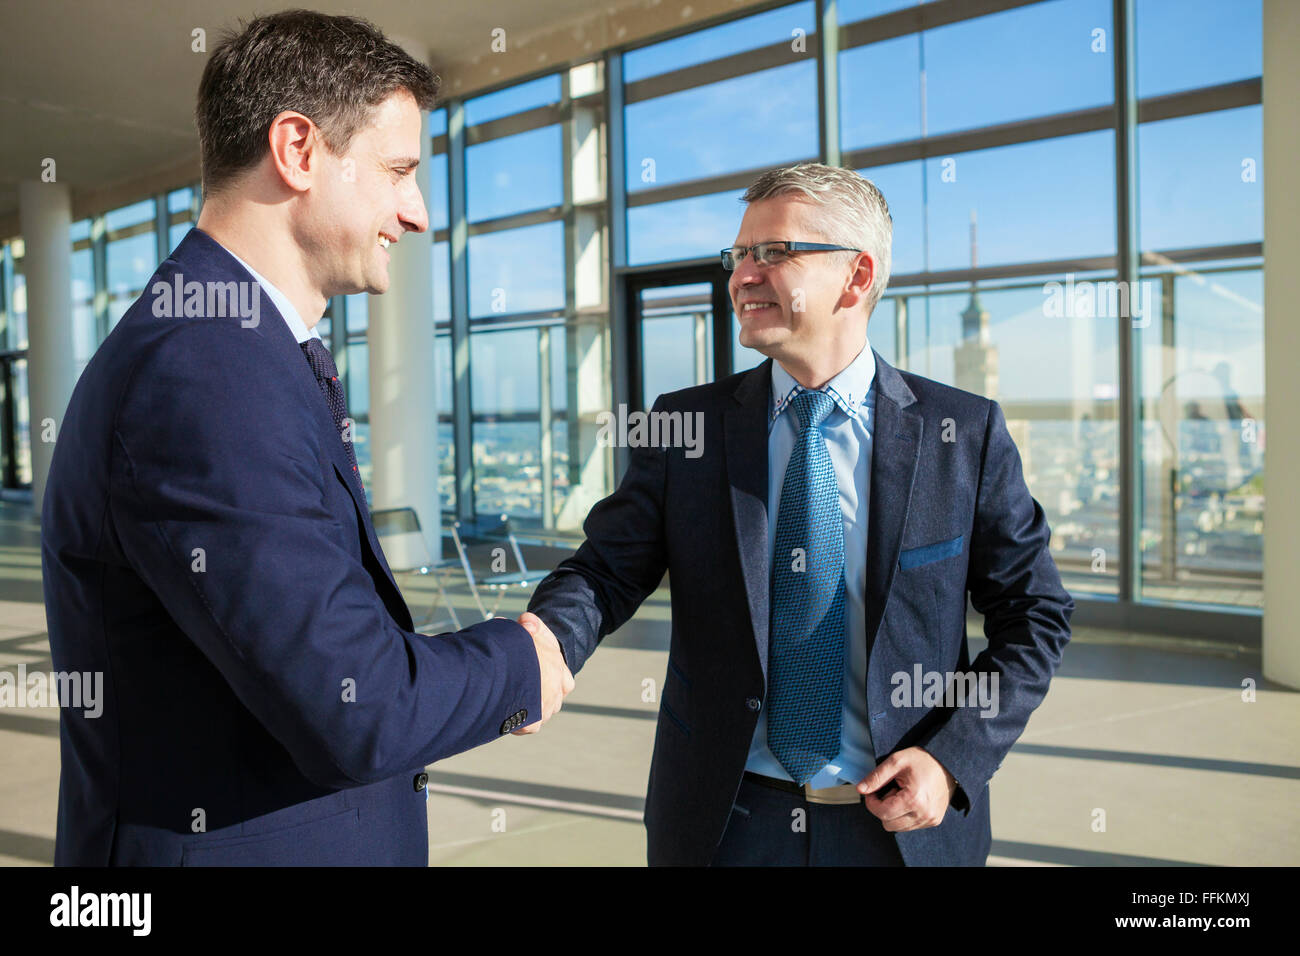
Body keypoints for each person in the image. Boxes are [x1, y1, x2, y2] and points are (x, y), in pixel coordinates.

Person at [40, 10, 572, 867]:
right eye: (400, 170)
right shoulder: (205, 371)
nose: (420, 212)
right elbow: (358, 708)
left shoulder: (227, 347)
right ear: (297, 150)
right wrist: (521, 660)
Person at [524, 162, 1074, 866]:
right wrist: (543, 645)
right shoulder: (686, 427)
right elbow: (605, 571)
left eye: (775, 253)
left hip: (903, 829)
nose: (743, 275)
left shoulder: (962, 434)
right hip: (726, 822)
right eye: (739, 254)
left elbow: (1035, 615)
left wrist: (953, 757)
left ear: (858, 275)